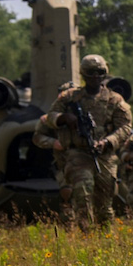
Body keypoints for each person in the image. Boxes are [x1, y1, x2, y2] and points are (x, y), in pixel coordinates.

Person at [47, 55, 132, 230]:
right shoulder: (69, 97)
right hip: (78, 154)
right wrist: (63, 118)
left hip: (105, 156)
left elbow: (125, 127)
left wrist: (107, 142)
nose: (96, 76)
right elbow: (50, 117)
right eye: (91, 73)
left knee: (105, 204)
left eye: (100, 73)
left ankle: (106, 239)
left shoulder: (115, 100)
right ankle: (87, 236)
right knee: (83, 194)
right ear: (84, 74)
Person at [33, 81, 76, 225]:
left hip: (87, 161)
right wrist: (53, 143)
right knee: (67, 193)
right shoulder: (49, 120)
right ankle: (70, 228)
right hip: (64, 163)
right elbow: (37, 138)